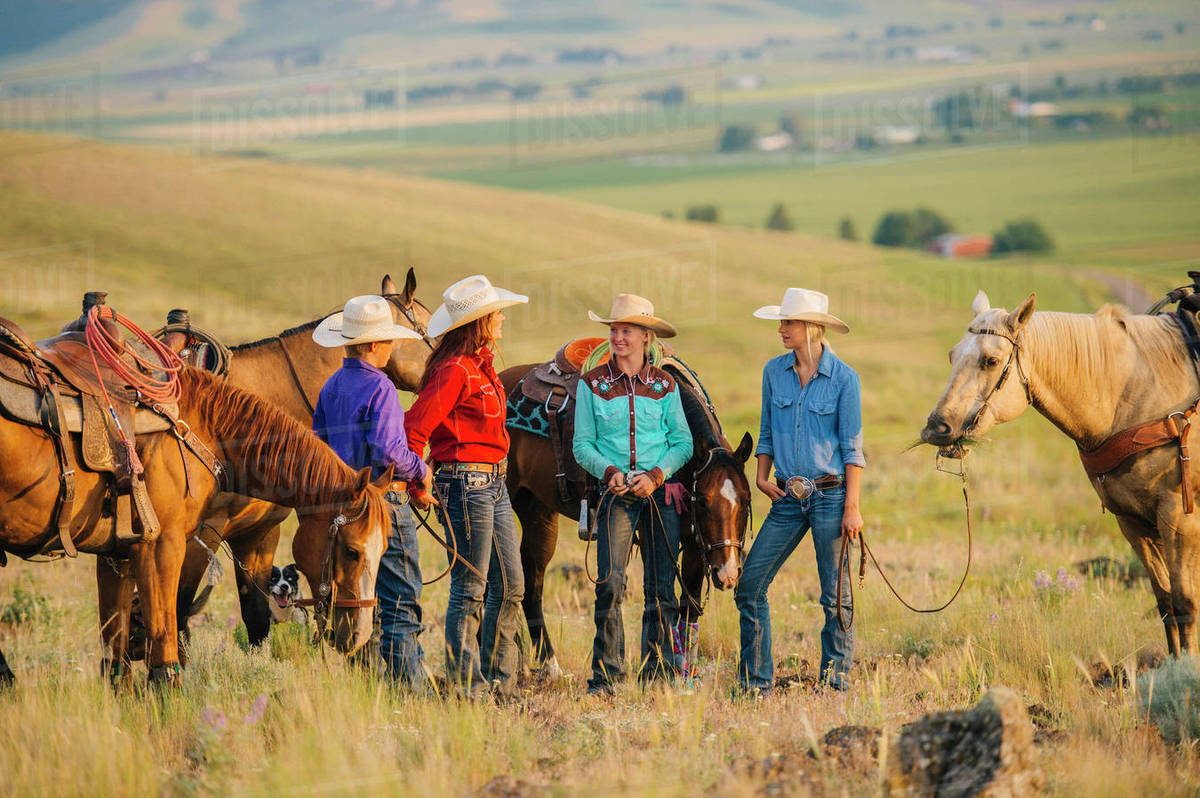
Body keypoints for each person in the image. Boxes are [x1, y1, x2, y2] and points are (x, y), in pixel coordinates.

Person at [735, 288, 865, 695]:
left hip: (831, 495)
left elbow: (852, 448)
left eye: (788, 322)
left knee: (834, 596)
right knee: (749, 586)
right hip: (787, 498)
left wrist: (853, 508)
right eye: (782, 321)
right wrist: (761, 476)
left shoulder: (845, 379)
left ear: (812, 327)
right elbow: (768, 430)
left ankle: (834, 683)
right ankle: (757, 684)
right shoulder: (773, 372)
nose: (781, 329)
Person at [404, 274, 527, 699]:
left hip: (494, 482)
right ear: (480, 321)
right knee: (471, 586)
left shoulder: (478, 366)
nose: (501, 321)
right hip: (465, 484)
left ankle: (497, 679)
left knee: (511, 584)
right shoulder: (456, 370)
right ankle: (468, 684)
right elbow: (414, 428)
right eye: (496, 315)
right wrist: (418, 481)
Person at [573, 293, 693, 695]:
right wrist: (609, 472)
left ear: (645, 337)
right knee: (609, 582)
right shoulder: (591, 385)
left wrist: (658, 475)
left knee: (661, 585)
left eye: (626, 331)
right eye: (613, 330)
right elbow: (582, 444)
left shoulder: (665, 385)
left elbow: (682, 442)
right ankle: (606, 674)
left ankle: (656, 671)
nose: (618, 337)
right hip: (616, 494)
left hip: (657, 494)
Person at [311, 295, 433, 689]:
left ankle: (367, 687)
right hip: (383, 502)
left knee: (361, 594)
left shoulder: (331, 386)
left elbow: (319, 443)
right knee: (401, 598)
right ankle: (410, 691)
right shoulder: (380, 386)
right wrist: (421, 469)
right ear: (373, 345)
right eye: (388, 341)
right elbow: (388, 449)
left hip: (343, 506)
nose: (393, 348)